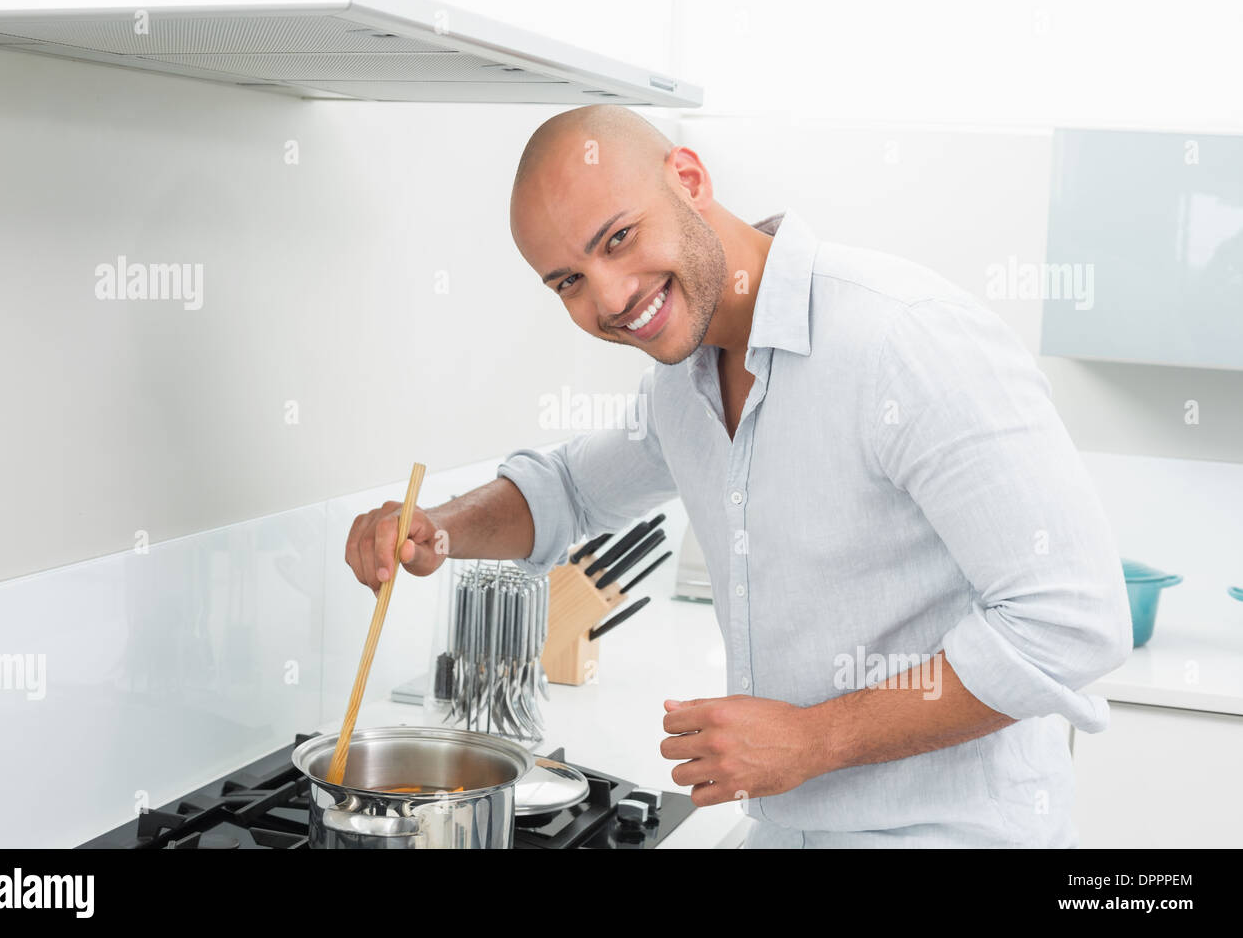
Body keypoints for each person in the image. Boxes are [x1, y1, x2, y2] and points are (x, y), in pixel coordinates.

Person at [345, 104, 1132, 847]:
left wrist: (814, 737)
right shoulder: (682, 383)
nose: (611, 299)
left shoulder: (903, 339)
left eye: (617, 238)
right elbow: (567, 492)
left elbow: (1071, 622)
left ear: (689, 179)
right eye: (568, 282)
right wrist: (436, 529)